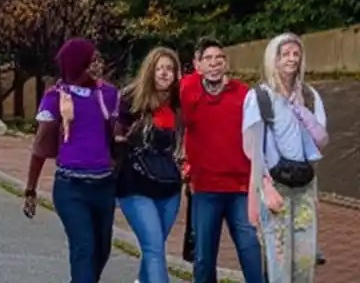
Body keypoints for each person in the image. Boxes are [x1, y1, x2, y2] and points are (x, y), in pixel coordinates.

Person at [24, 38, 119, 283]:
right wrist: (31, 190)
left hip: (103, 186)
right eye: (92, 60)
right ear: (78, 64)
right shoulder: (56, 98)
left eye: (98, 59)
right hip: (71, 188)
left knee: (101, 250)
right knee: (83, 248)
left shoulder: (108, 95)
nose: (98, 65)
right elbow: (40, 148)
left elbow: (115, 138)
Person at [243, 33, 328, 283]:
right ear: (274, 58)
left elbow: (322, 140)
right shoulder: (260, 97)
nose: (291, 59)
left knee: (304, 261)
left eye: (295, 54)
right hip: (275, 183)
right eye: (285, 54)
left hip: (304, 184)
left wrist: (301, 110)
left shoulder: (310, 95)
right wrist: (265, 187)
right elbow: (252, 149)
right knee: (279, 260)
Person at [181, 38, 262, 283]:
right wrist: (198, 77)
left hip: (240, 187)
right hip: (205, 188)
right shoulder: (191, 92)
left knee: (250, 249)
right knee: (204, 258)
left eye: (219, 58)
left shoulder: (243, 93)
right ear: (197, 64)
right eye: (208, 59)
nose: (214, 63)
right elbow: (184, 94)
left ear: (226, 62)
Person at [115, 47, 184, 283]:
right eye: (159, 68)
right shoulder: (131, 100)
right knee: (154, 248)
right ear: (149, 71)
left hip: (169, 187)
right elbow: (114, 140)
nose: (164, 73)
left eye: (169, 69)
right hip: (136, 185)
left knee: (155, 247)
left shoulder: (180, 105)